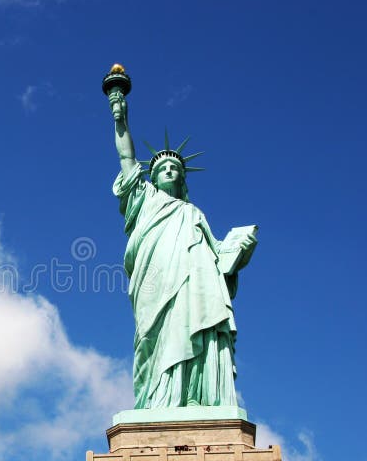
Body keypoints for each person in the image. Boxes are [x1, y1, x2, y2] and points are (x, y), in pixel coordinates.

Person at [108, 90, 257, 409]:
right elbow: (126, 158)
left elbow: (217, 258)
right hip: (157, 277)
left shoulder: (193, 213)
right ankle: (158, 399)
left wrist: (237, 251)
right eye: (162, 169)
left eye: (175, 169)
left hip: (195, 281)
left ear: (183, 178)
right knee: (159, 334)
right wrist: (120, 117)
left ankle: (193, 395)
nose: (169, 172)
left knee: (194, 324)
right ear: (154, 177)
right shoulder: (145, 200)